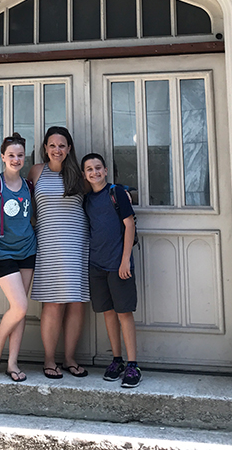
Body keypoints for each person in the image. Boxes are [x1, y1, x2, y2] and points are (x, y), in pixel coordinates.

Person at [28, 126, 90, 379]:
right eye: (52, 145)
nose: (57, 150)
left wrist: (125, 194)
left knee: (76, 302)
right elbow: (25, 205)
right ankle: (49, 360)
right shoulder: (36, 171)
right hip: (48, 244)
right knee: (52, 303)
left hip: (77, 243)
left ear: (69, 148)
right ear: (45, 148)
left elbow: (99, 192)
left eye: (62, 145)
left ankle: (70, 359)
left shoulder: (78, 174)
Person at [0, 133, 36, 382]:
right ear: (3, 157)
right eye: (11, 155)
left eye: (20, 155)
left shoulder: (28, 185)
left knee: (19, 311)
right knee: (20, 306)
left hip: (28, 251)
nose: (16, 159)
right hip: (3, 254)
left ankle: (12, 363)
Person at [81, 152, 142, 388]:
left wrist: (125, 260)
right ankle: (117, 359)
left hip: (119, 265)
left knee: (124, 313)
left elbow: (129, 225)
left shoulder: (116, 193)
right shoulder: (87, 200)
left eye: (98, 168)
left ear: (105, 170)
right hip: (96, 265)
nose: (94, 172)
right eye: (89, 169)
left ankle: (133, 364)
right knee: (107, 313)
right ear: (84, 175)